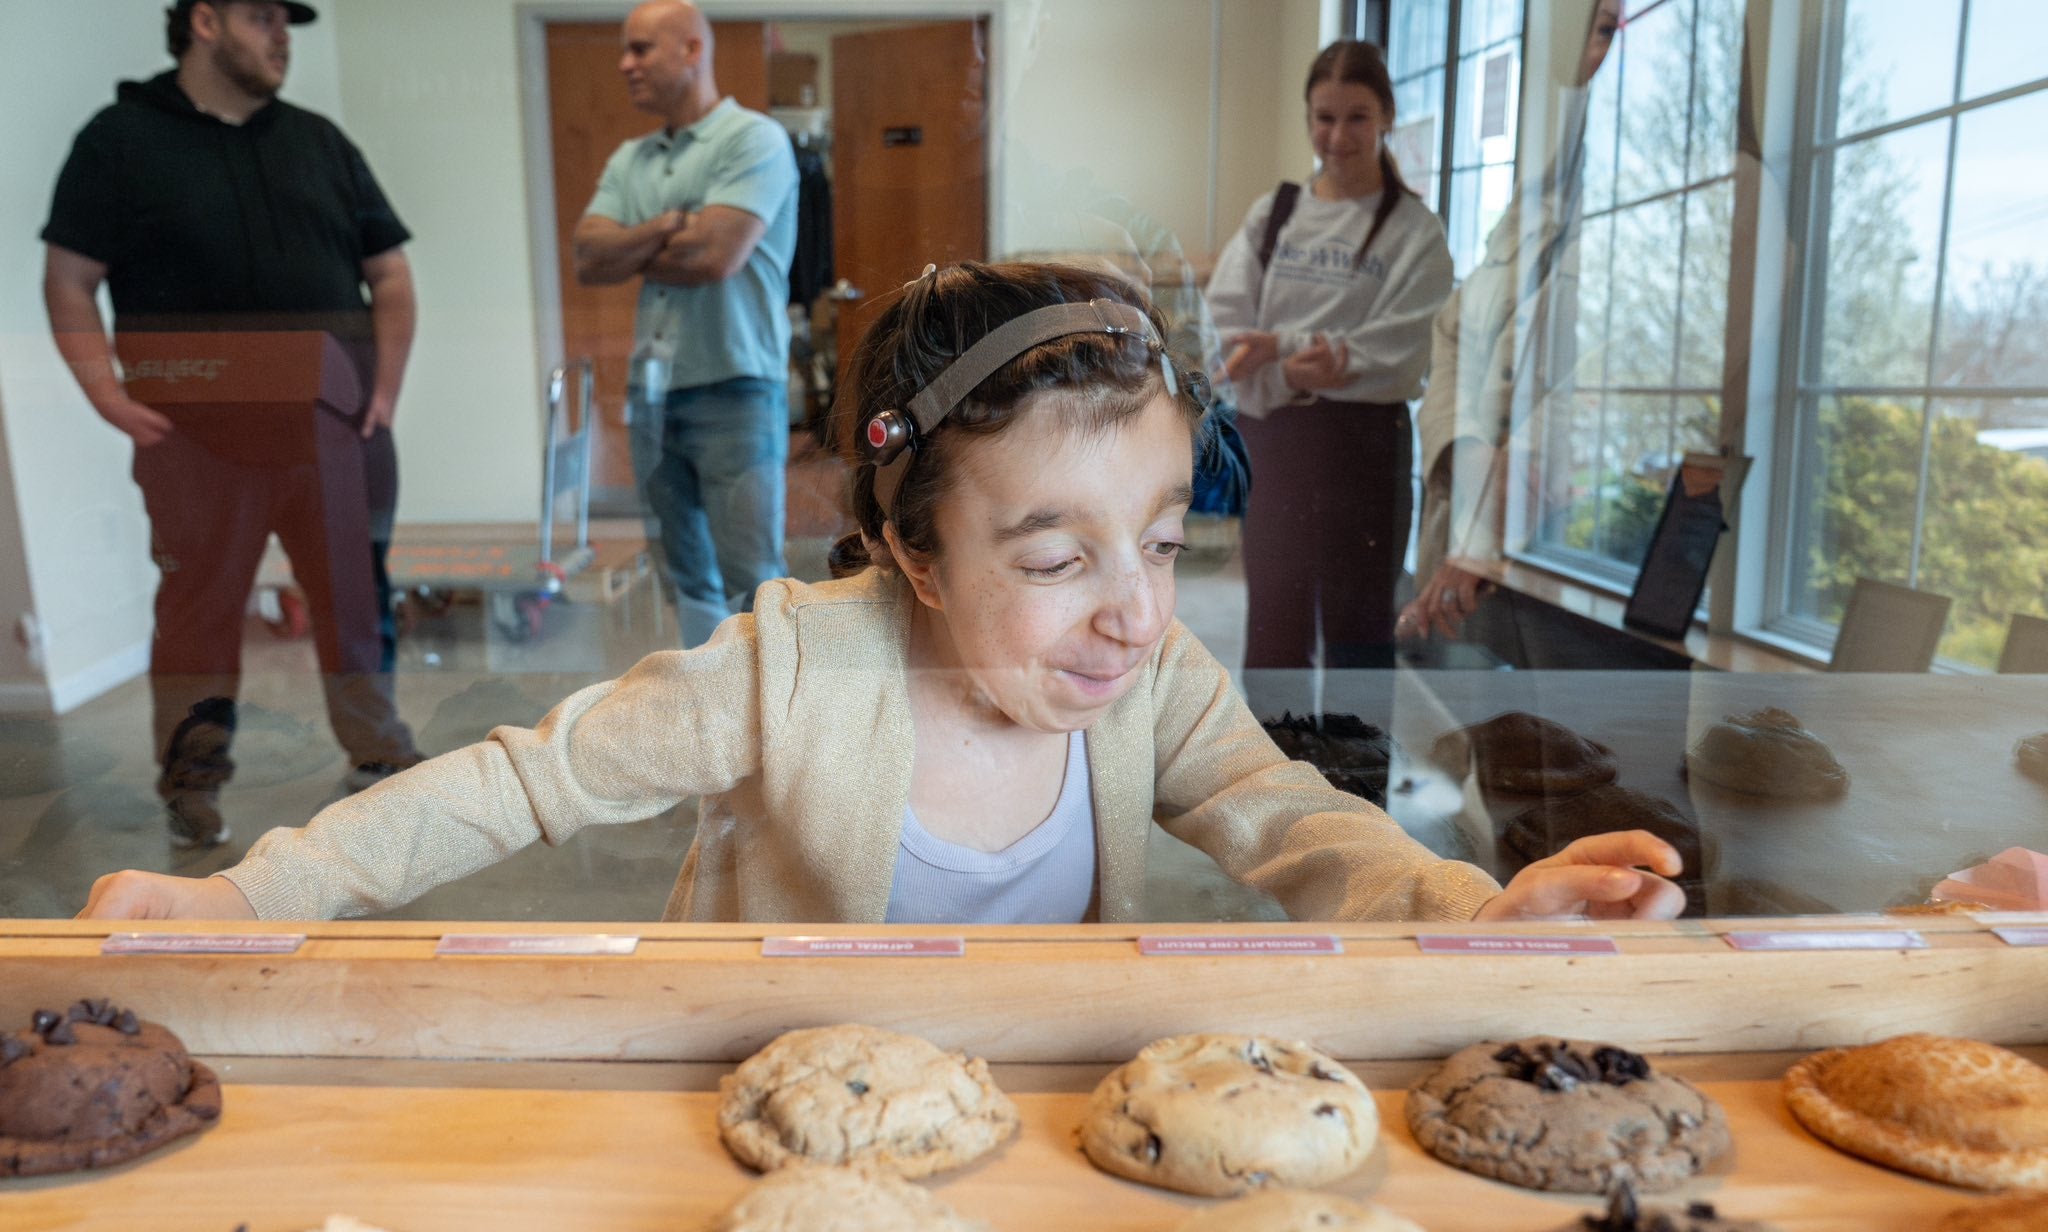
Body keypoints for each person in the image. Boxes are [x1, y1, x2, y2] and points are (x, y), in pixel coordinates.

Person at [77, 261, 1685, 926]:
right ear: (911, 550)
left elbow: (1297, 822)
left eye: (1164, 538)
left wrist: (1476, 910)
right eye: (1055, 558)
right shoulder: (794, 670)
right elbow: (516, 781)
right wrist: (242, 899)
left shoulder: (1150, 677)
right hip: (778, 1129)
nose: (1133, 609)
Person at [41, 0, 423, 852]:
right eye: (262, 16)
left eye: (288, 20)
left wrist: (384, 391)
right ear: (205, 21)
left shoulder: (320, 142)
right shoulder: (119, 142)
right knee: (199, 615)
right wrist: (104, 394)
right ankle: (193, 782)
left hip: (337, 428)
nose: (283, 33)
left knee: (356, 597)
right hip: (197, 440)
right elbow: (69, 278)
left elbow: (390, 274)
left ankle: (379, 752)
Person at [1207, 40, 1453, 675]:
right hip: (1276, 440)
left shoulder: (1415, 232)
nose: (1338, 136)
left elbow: (1399, 352)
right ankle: (1276, 775)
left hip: (1366, 447)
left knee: (1360, 634)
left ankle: (1357, 778)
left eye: (1357, 117)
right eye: (1324, 117)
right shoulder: (1276, 213)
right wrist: (1289, 370)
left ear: (1388, 117)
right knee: (1275, 628)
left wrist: (1282, 348)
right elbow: (1227, 327)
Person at [571, 0, 800, 649]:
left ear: (692, 51)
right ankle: (710, 708)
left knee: (752, 575)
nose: (625, 65)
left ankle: (775, 723)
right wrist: (666, 227)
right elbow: (589, 257)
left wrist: (635, 242)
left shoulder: (754, 140)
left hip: (738, 386)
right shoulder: (631, 158)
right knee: (682, 572)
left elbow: (712, 255)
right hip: (653, 391)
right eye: (626, 50)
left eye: (640, 49)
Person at [1403, 0, 1623, 643]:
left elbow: (1590, 371)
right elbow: (1452, 331)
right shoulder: (1535, 195)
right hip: (1475, 515)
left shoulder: (1630, 188)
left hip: (1552, 532)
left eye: (1608, 29)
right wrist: (1469, 449)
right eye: (1580, 31)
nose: (1592, 52)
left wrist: (1500, 496)